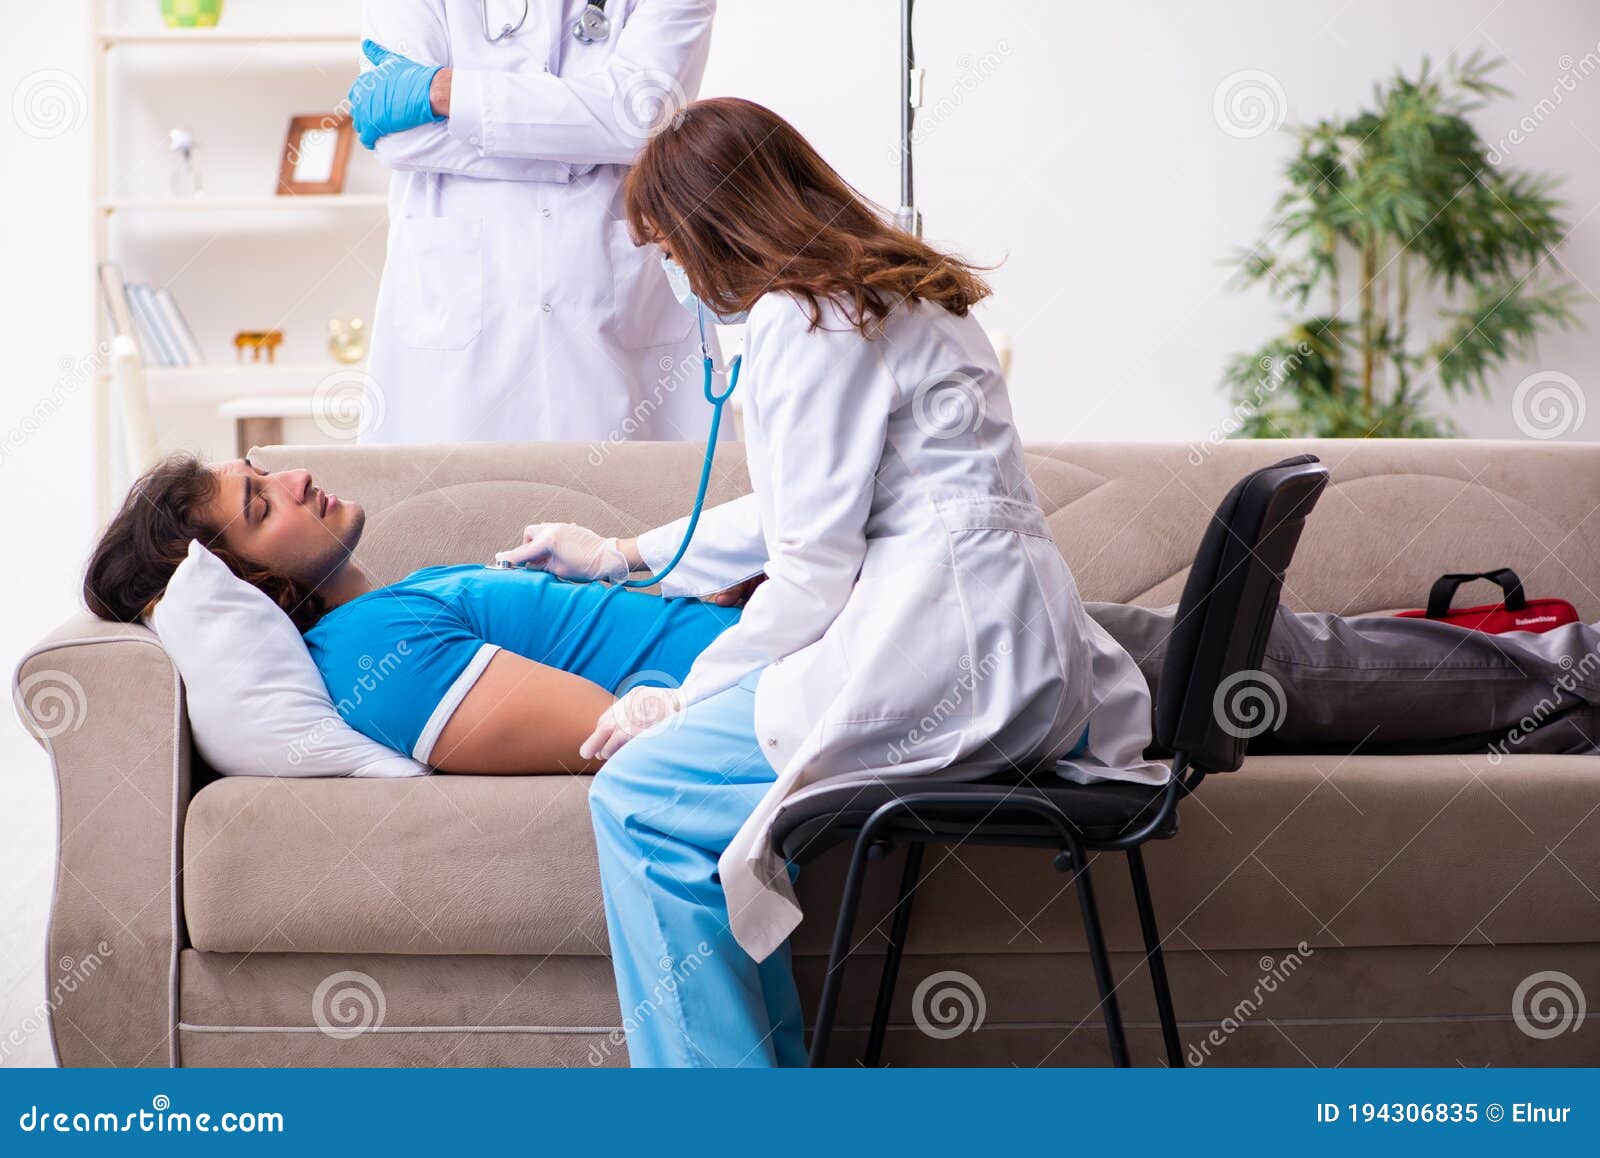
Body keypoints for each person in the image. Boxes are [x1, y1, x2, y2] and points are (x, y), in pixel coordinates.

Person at [83, 453, 1600, 1064]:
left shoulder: (394, 604)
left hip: (854, 630)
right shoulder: (367, 657)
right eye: (259, 500)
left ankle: (1541, 680)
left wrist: (628, 562)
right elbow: (607, 735)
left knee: (1249, 661)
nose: (292, 473)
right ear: (255, 578)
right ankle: (1563, 676)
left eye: (265, 462)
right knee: (1271, 666)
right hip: (842, 670)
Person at [347, 0, 721, 443]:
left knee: (649, 505)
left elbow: (643, 115)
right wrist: (589, 142)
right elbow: (400, 139)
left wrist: (451, 94)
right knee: (451, 507)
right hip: (456, 340)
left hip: (625, 338)